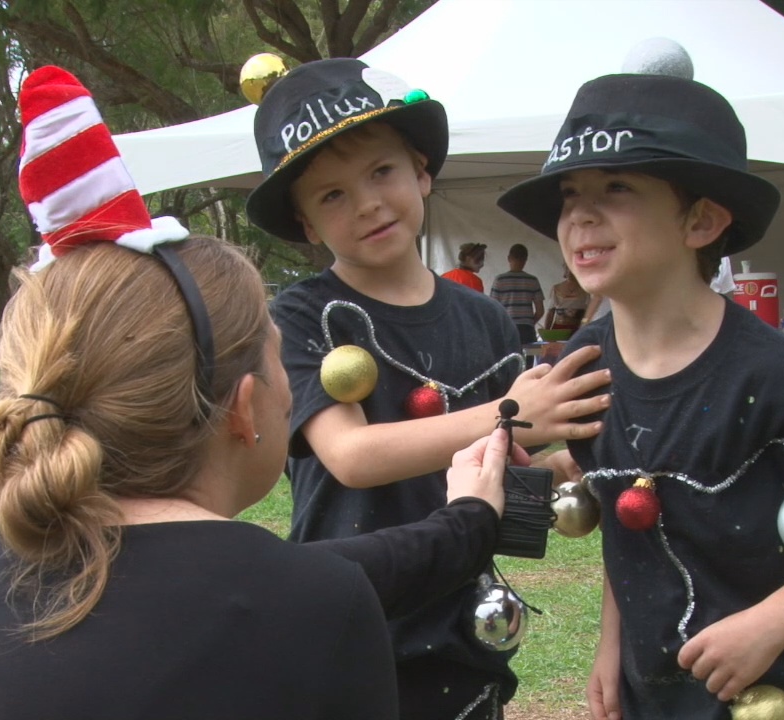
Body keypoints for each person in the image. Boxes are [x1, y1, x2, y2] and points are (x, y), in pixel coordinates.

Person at [0, 66, 529, 720]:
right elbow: (309, 584)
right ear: (245, 407)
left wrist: (468, 517)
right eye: (288, 363)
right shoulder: (304, 609)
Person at [497, 70, 784, 719]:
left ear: (701, 220)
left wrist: (772, 623)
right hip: (656, 690)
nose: (579, 213)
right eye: (569, 194)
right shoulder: (584, 369)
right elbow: (626, 521)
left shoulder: (773, 372)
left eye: (617, 187)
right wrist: (612, 647)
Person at [243, 58, 611, 720]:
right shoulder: (303, 316)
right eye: (331, 195)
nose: (368, 203)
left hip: (461, 633)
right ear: (305, 224)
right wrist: (511, 414)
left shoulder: (485, 318)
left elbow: (506, 470)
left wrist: (572, 466)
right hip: (350, 624)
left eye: (381, 172)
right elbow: (352, 456)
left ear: (421, 169)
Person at [490, 243, 546, 345]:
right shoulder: (532, 280)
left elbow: (493, 308)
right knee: (527, 359)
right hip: (526, 329)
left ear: (509, 258)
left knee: (508, 359)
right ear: (525, 259)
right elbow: (540, 311)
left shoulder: (500, 280)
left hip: (506, 327)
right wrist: (529, 322)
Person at [544, 268, 590, 333]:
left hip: (578, 329)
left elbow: (588, 313)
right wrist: (546, 332)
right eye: (568, 268)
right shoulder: (556, 288)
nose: (570, 271)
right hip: (559, 328)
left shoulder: (586, 288)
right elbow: (550, 312)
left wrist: (584, 327)